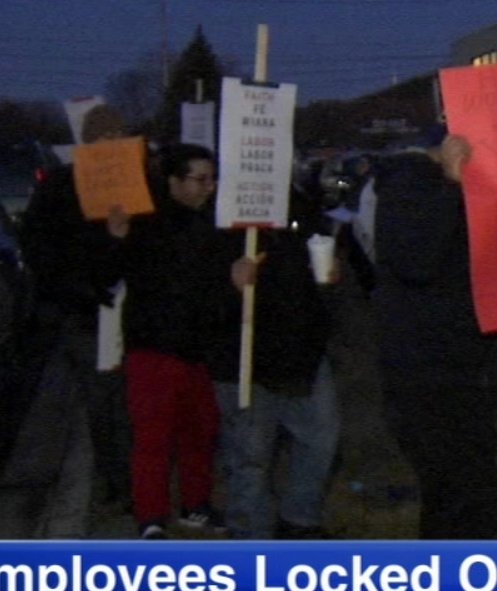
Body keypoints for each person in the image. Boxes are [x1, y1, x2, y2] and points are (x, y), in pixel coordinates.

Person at [369, 126, 497, 591]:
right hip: (423, 372)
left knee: (474, 490)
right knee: (455, 493)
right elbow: (417, 260)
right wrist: (452, 185)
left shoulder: (450, 185)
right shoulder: (407, 184)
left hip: (460, 365)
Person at [107, 143, 246, 539]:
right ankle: (150, 516)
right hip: (154, 346)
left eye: (212, 178)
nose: (209, 186)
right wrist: (117, 239)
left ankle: (195, 505)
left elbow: (209, 286)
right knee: (153, 436)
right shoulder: (145, 223)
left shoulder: (211, 224)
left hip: (198, 347)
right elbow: (115, 273)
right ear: (173, 181)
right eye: (200, 179)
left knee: (198, 433)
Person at [207, 185, 341, 540]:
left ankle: (299, 519)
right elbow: (190, 293)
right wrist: (228, 284)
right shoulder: (216, 213)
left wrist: (326, 273)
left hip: (300, 347)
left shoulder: (296, 203)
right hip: (241, 353)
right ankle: (251, 535)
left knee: (320, 437)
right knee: (250, 454)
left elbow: (314, 250)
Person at [17, 103, 134, 510]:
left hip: (132, 310)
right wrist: (79, 288)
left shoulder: (137, 184)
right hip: (86, 312)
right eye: (104, 136)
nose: (112, 144)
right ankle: (117, 480)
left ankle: (134, 477)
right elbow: (40, 249)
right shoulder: (60, 186)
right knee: (102, 400)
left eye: (118, 136)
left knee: (129, 399)